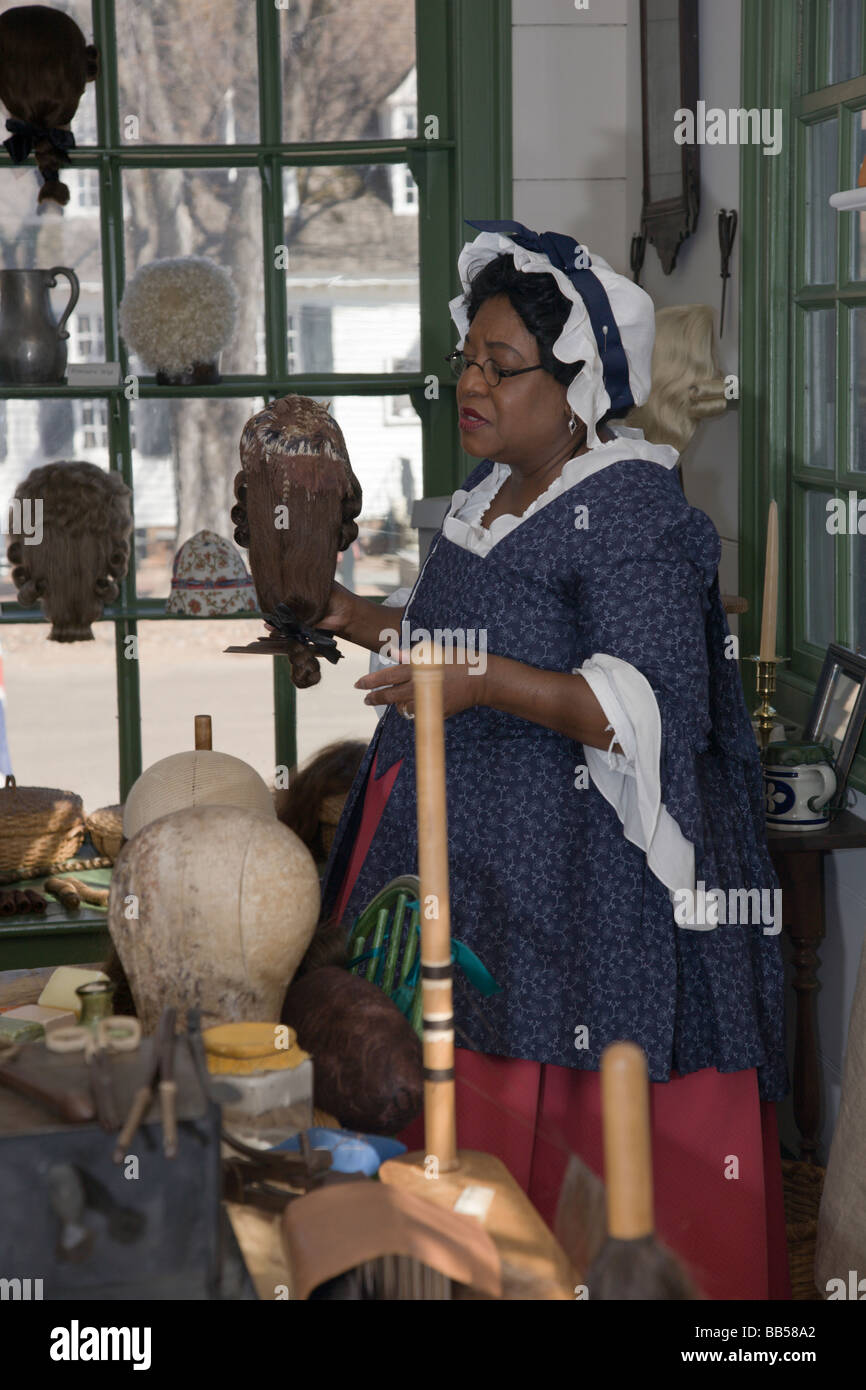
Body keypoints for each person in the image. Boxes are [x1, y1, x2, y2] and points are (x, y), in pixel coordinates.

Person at [305, 220, 790, 1300]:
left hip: (584, 898)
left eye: (499, 366)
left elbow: (641, 706)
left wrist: (482, 688)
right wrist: (341, 610)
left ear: (574, 392)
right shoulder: (488, 494)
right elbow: (451, 632)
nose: (469, 381)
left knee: (577, 1154)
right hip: (479, 880)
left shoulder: (629, 511)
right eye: (465, 359)